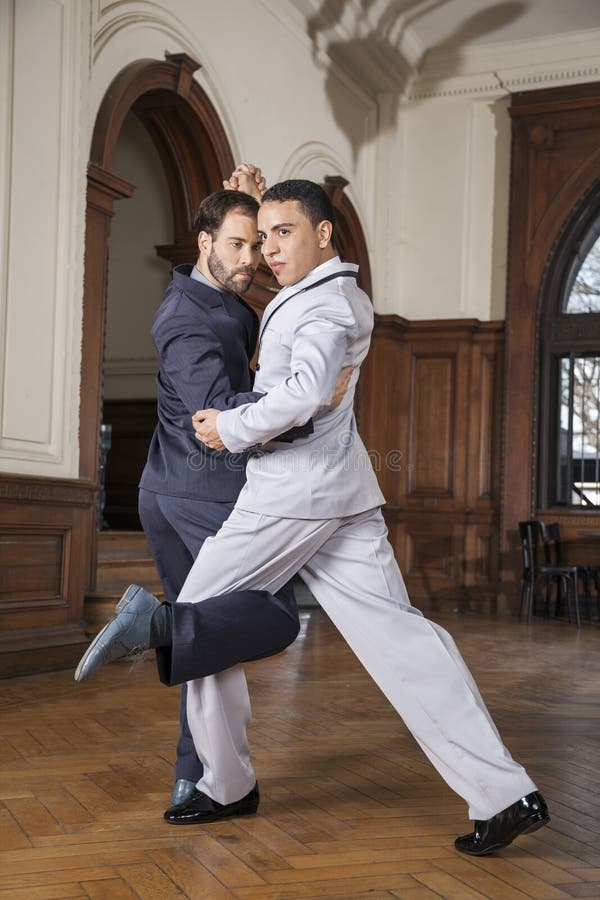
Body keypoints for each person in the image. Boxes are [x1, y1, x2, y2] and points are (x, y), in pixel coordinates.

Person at [76, 176, 549, 855]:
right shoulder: (320, 293)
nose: (267, 248)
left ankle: (224, 782)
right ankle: (505, 793)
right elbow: (307, 380)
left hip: (290, 496)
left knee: (199, 614)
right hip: (344, 496)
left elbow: (300, 396)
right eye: (261, 236)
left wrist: (228, 430)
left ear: (326, 234)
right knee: (404, 640)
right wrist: (250, 193)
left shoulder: (325, 307)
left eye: (283, 233)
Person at [78, 179, 339, 810]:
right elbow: (216, 412)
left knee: (211, 638)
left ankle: (198, 779)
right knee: (275, 618)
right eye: (238, 245)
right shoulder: (184, 315)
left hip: (176, 490)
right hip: (200, 493)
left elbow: (290, 249)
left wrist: (248, 193)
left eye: (257, 245)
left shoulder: (217, 291)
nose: (252, 259)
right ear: (204, 243)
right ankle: (156, 627)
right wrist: (308, 403)